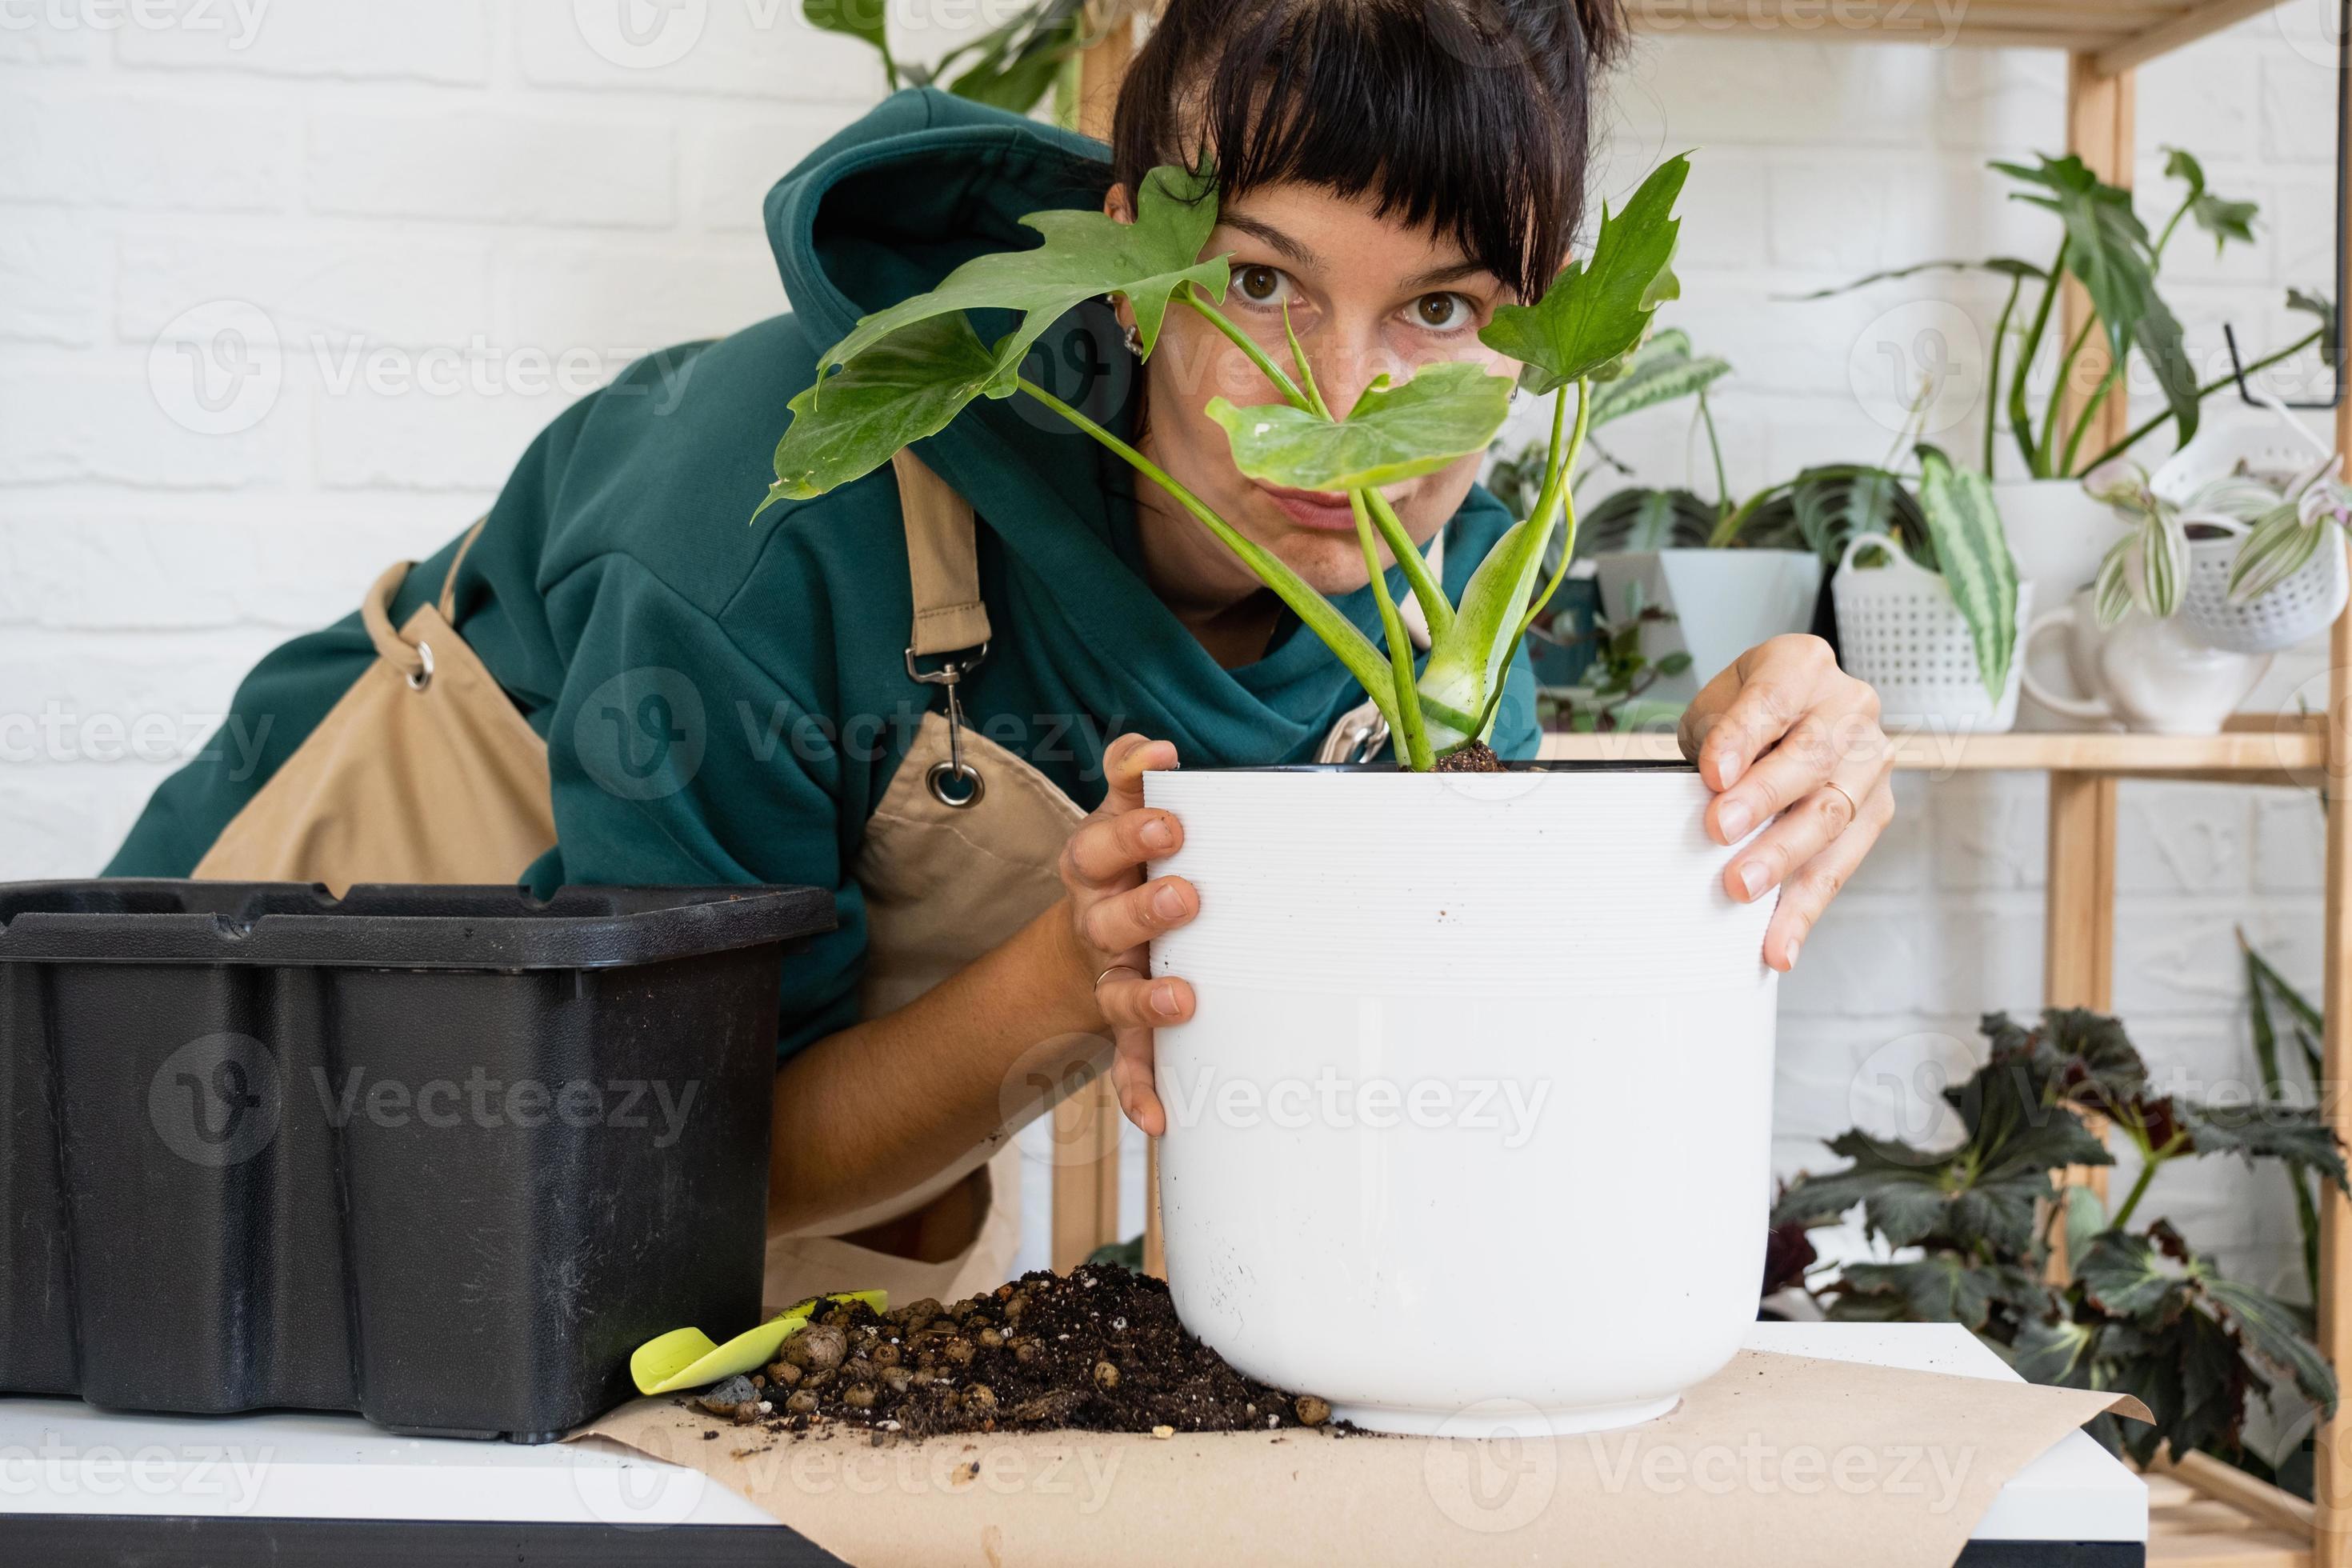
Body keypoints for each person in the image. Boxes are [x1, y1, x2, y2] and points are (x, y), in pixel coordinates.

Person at [106, 0, 1894, 1304]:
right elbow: (647, 1165)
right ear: (1131, 266)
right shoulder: (763, 520)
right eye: (1259, 286)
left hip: (794, 1244)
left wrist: (1705, 795)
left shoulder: (1451, 612)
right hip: (271, 1082)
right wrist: (1063, 980)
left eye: (1441, 310)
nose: (1340, 409)